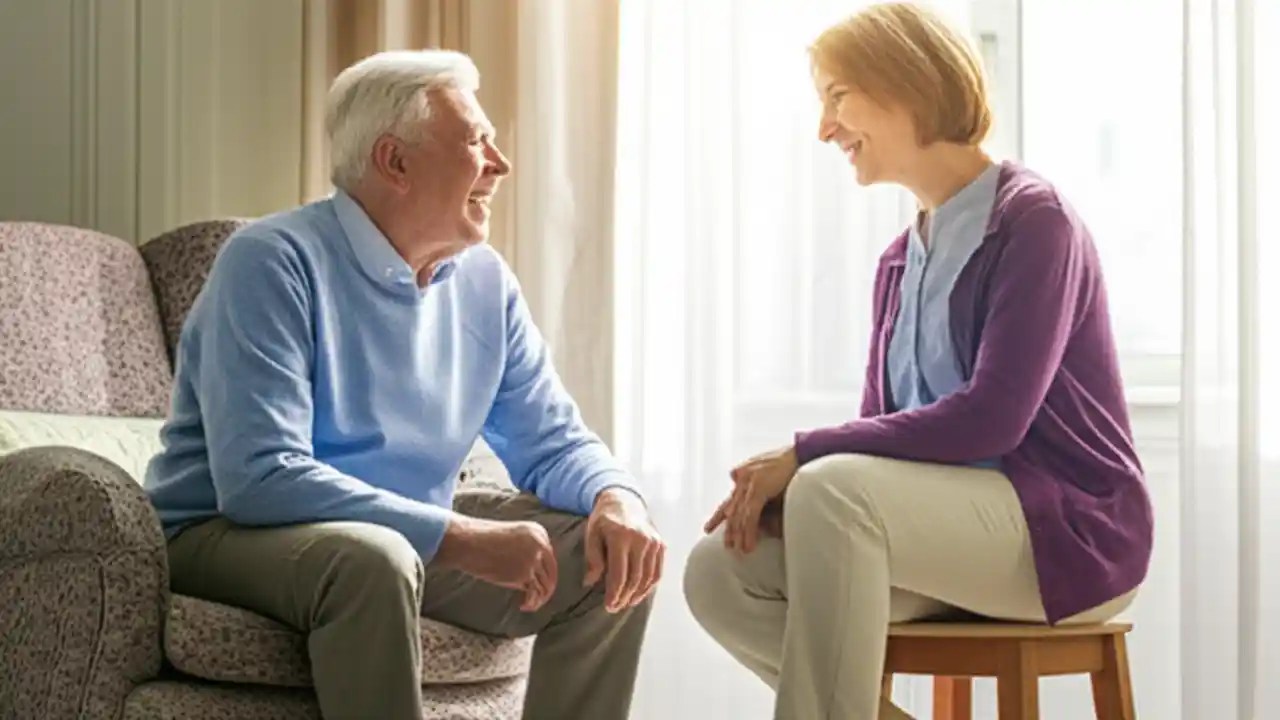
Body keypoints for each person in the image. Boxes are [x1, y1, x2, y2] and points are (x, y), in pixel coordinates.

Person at [144, 49, 664, 720]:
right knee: (376, 558)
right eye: (478, 142)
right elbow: (260, 478)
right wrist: (464, 537)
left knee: (610, 558)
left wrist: (614, 497)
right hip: (225, 534)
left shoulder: (485, 283)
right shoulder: (271, 263)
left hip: (396, 536)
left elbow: (553, 441)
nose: (500, 165)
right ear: (395, 162)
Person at [682, 3, 1154, 719]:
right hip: (951, 542)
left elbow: (992, 420)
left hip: (1065, 536)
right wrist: (803, 484)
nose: (825, 129)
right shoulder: (899, 262)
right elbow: (885, 439)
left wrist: (805, 455)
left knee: (832, 489)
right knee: (721, 570)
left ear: (907, 84)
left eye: (837, 97)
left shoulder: (1035, 223)